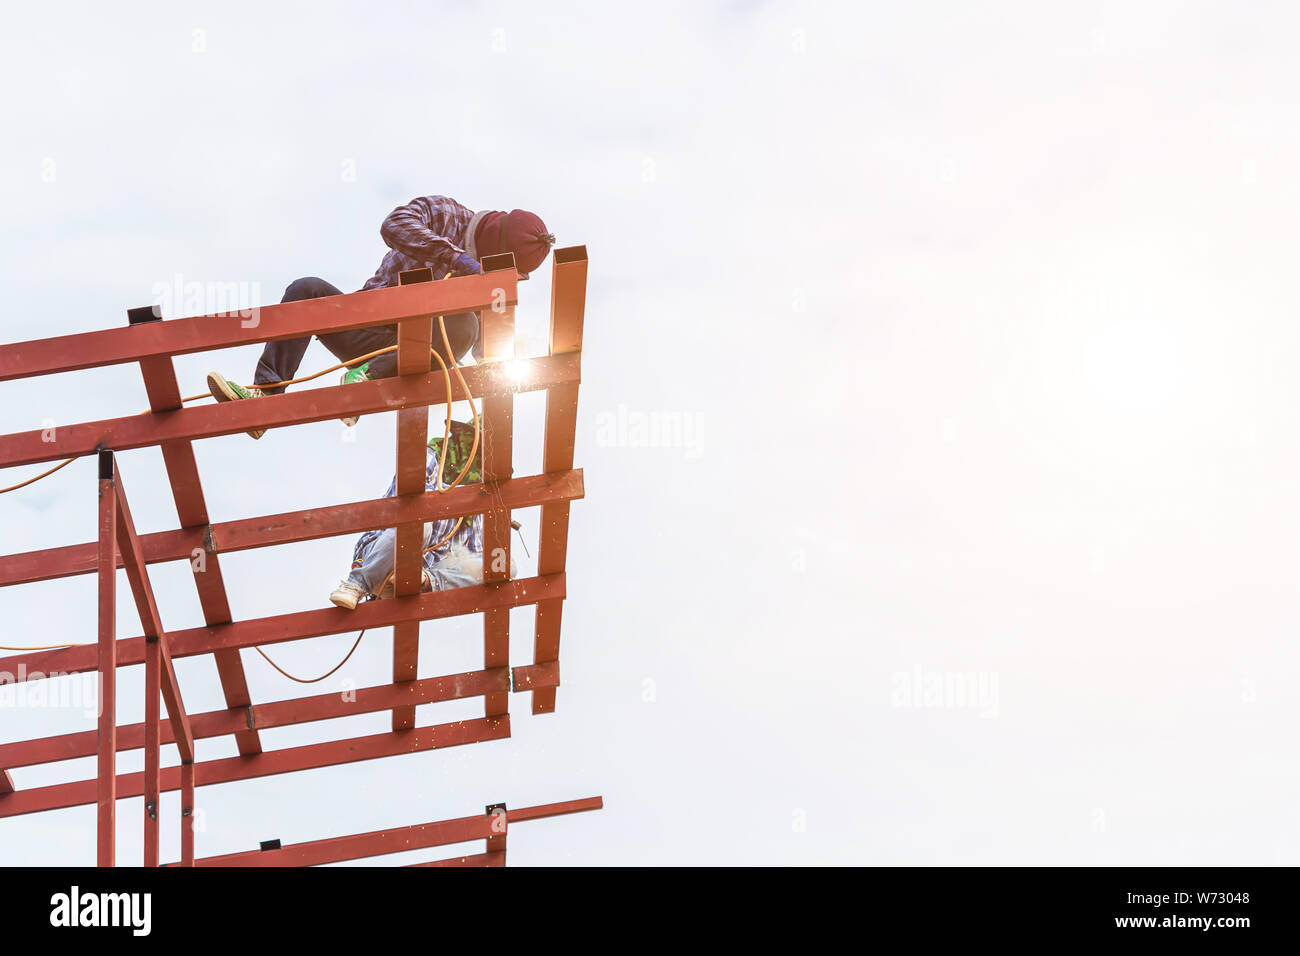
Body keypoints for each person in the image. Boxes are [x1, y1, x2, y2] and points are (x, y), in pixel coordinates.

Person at [205, 196, 555, 438]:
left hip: (414, 357)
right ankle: (265, 398)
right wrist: (452, 257)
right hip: (369, 329)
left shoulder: (491, 283)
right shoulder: (446, 214)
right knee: (306, 290)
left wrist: (507, 370)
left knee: (465, 324)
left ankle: (368, 377)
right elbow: (394, 225)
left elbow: (484, 351)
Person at [329, 420, 512, 609]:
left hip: (418, 580)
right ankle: (357, 584)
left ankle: (428, 580)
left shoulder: (475, 507)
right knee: (419, 524)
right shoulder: (430, 457)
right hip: (382, 561)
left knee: (504, 565)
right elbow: (414, 503)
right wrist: (465, 497)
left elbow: (477, 557)